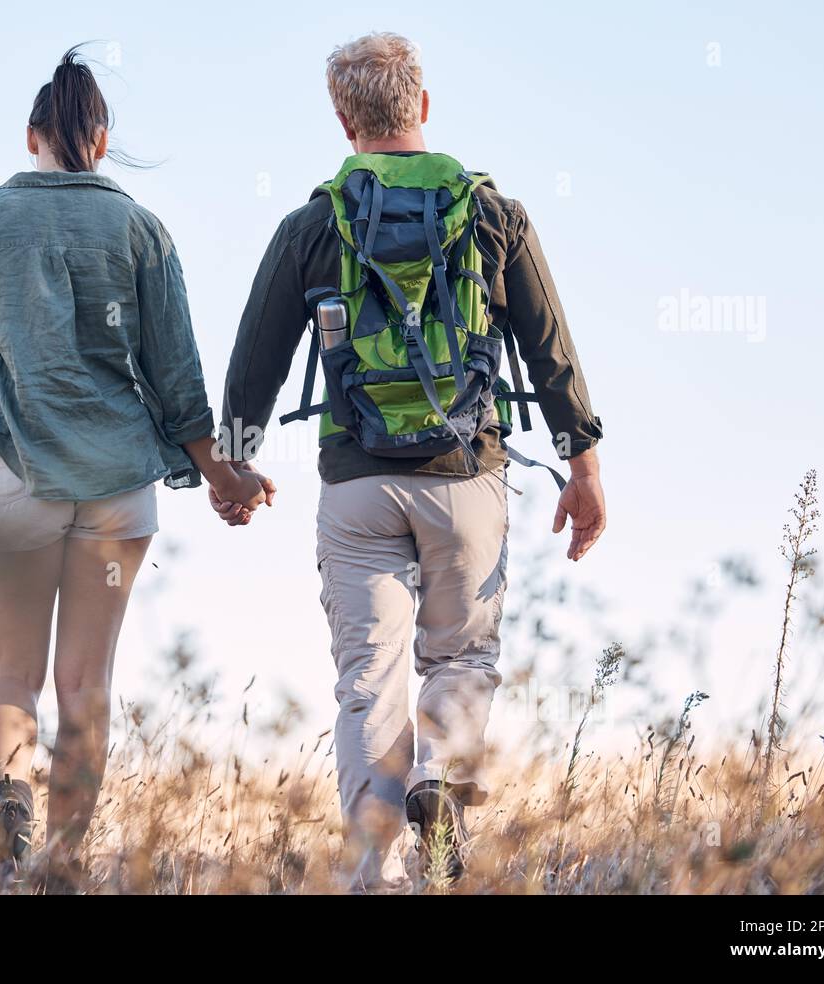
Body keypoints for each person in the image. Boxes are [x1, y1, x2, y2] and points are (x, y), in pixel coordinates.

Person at [213, 32, 606, 891]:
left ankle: (369, 870)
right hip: (467, 477)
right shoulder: (492, 212)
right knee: (461, 658)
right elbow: (549, 350)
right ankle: (439, 784)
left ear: (342, 117)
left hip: (356, 482)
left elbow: (254, 364)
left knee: (368, 678)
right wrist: (582, 467)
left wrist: (236, 471)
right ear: (422, 104)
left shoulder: (314, 223)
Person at [0, 47, 270, 887]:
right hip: (118, 493)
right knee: (87, 685)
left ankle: (8, 799)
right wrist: (226, 477)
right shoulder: (143, 230)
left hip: (10, 480)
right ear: (103, 140)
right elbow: (180, 383)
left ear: (30, 134)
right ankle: (66, 863)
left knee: (10, 674)